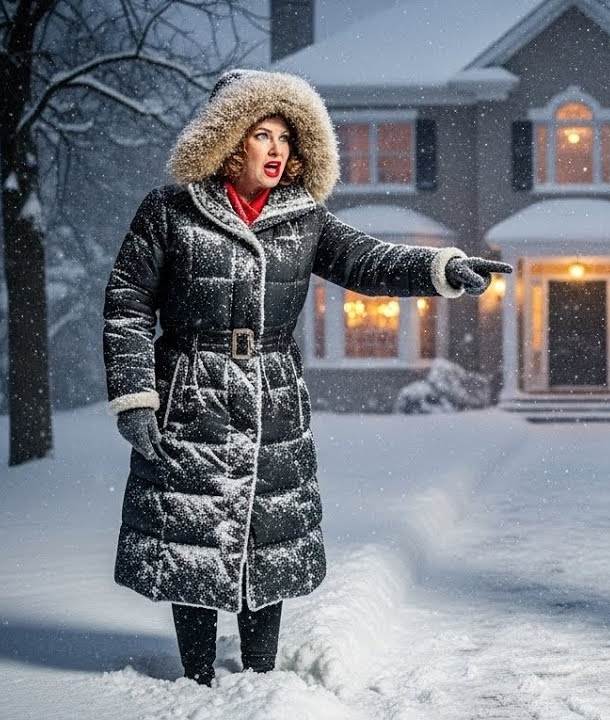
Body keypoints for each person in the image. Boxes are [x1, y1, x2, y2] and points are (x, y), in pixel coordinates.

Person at [102, 69, 512, 685]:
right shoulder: (169, 212)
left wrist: (442, 269)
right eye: (262, 135)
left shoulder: (304, 218)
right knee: (193, 531)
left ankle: (262, 675)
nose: (276, 150)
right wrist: (136, 397)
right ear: (230, 139)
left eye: (286, 139)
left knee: (268, 529)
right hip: (190, 387)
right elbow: (128, 300)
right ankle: (197, 675)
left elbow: (369, 260)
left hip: (272, 391)